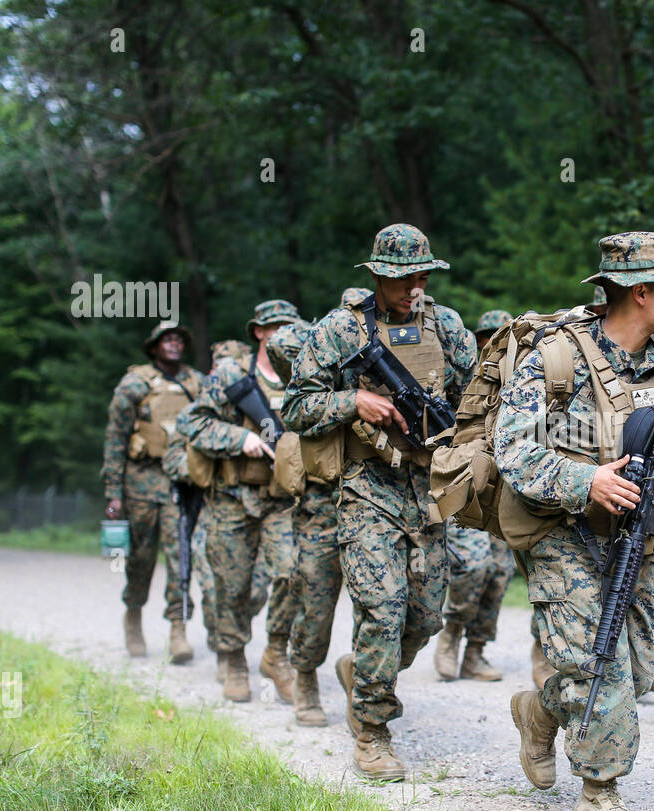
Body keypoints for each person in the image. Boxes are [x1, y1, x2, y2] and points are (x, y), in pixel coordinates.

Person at [499, 231, 654, 811]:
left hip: (638, 534)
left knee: (640, 667)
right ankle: (600, 790)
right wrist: (585, 480)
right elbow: (512, 451)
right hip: (561, 531)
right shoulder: (554, 358)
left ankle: (538, 714)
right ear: (640, 291)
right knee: (601, 668)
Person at [283, 225, 476, 780]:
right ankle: (371, 729)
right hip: (369, 488)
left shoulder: (447, 326)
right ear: (376, 275)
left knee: (424, 617)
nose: (413, 286)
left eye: (421, 275)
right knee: (383, 608)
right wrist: (354, 401)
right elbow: (297, 407)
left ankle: (363, 670)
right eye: (401, 277)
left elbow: (479, 394)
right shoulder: (342, 329)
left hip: (429, 487)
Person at [179, 301, 299, 703]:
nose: (284, 333)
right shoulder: (232, 375)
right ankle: (231, 656)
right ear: (259, 333)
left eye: (290, 326)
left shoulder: (304, 378)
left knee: (293, 574)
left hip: (281, 501)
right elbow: (192, 422)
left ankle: (276, 652)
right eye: (276, 327)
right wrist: (240, 439)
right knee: (231, 587)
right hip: (232, 499)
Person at [267, 288, 368, 726]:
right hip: (322, 499)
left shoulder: (404, 345)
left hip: (374, 493)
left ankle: (365, 679)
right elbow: (279, 344)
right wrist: (336, 343)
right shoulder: (322, 341)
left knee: (385, 603)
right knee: (315, 595)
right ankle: (305, 674)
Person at [101, 321, 204, 661]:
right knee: (141, 558)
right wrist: (114, 492)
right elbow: (115, 439)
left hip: (180, 482)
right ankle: (133, 613)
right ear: (154, 347)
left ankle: (178, 629)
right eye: (167, 339)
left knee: (181, 559)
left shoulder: (196, 383)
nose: (174, 344)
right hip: (141, 481)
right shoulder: (134, 384)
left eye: (179, 339)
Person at [434, 309, 517, 682]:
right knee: (473, 564)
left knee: (500, 572)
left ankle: (476, 650)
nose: (489, 345)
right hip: (469, 485)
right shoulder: (465, 379)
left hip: (506, 488)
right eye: (484, 337)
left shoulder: (522, 376)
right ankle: (452, 632)